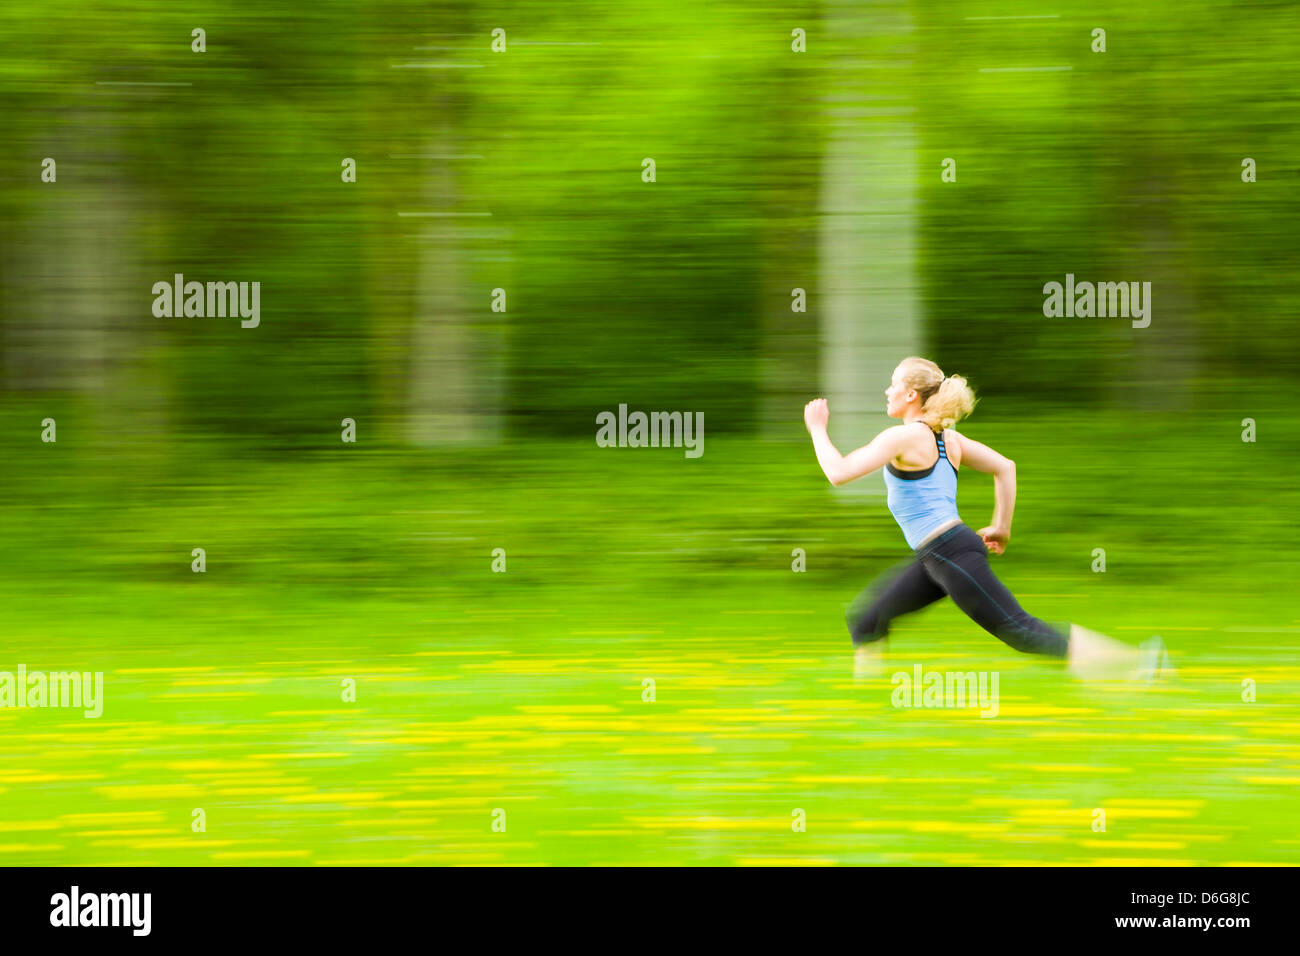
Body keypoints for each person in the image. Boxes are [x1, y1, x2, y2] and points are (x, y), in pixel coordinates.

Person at [803, 356, 1169, 680]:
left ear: (911, 394)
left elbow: (838, 472)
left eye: (893, 384)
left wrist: (818, 428)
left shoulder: (903, 438)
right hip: (939, 555)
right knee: (867, 619)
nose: (887, 390)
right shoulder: (948, 439)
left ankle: (1135, 663)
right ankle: (867, 706)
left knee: (1020, 631)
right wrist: (1000, 528)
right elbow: (1004, 468)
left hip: (948, 553)